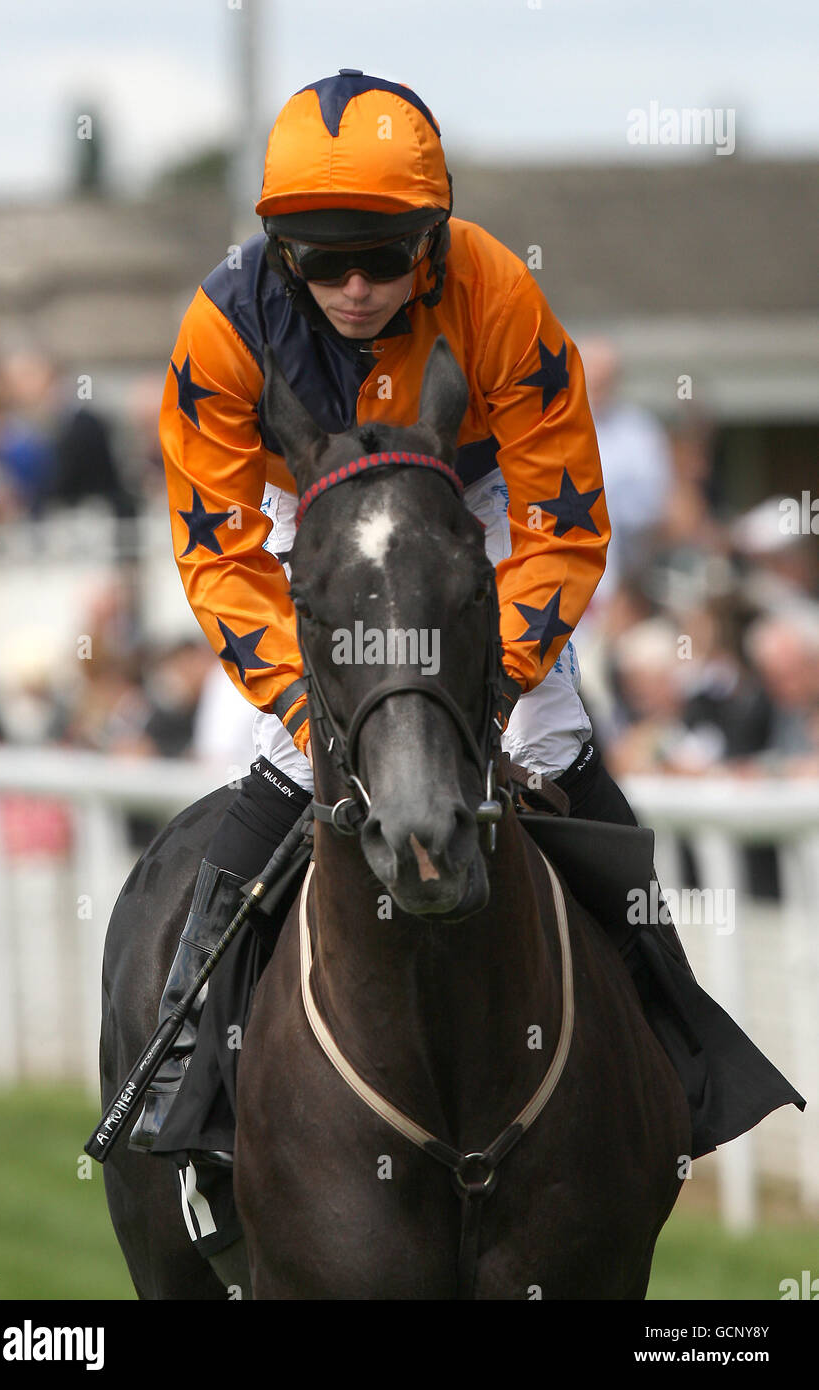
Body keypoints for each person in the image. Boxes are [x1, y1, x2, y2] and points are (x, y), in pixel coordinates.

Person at [132, 74, 802, 1201]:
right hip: (317, 511)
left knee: (551, 739)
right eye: (319, 258)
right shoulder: (221, 326)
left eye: (381, 258)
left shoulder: (493, 290)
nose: (351, 287)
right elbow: (218, 550)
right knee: (299, 760)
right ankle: (190, 1075)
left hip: (470, 507)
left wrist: (494, 683)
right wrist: (313, 701)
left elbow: (565, 521)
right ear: (276, 245)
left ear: (432, 238)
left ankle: (678, 1050)